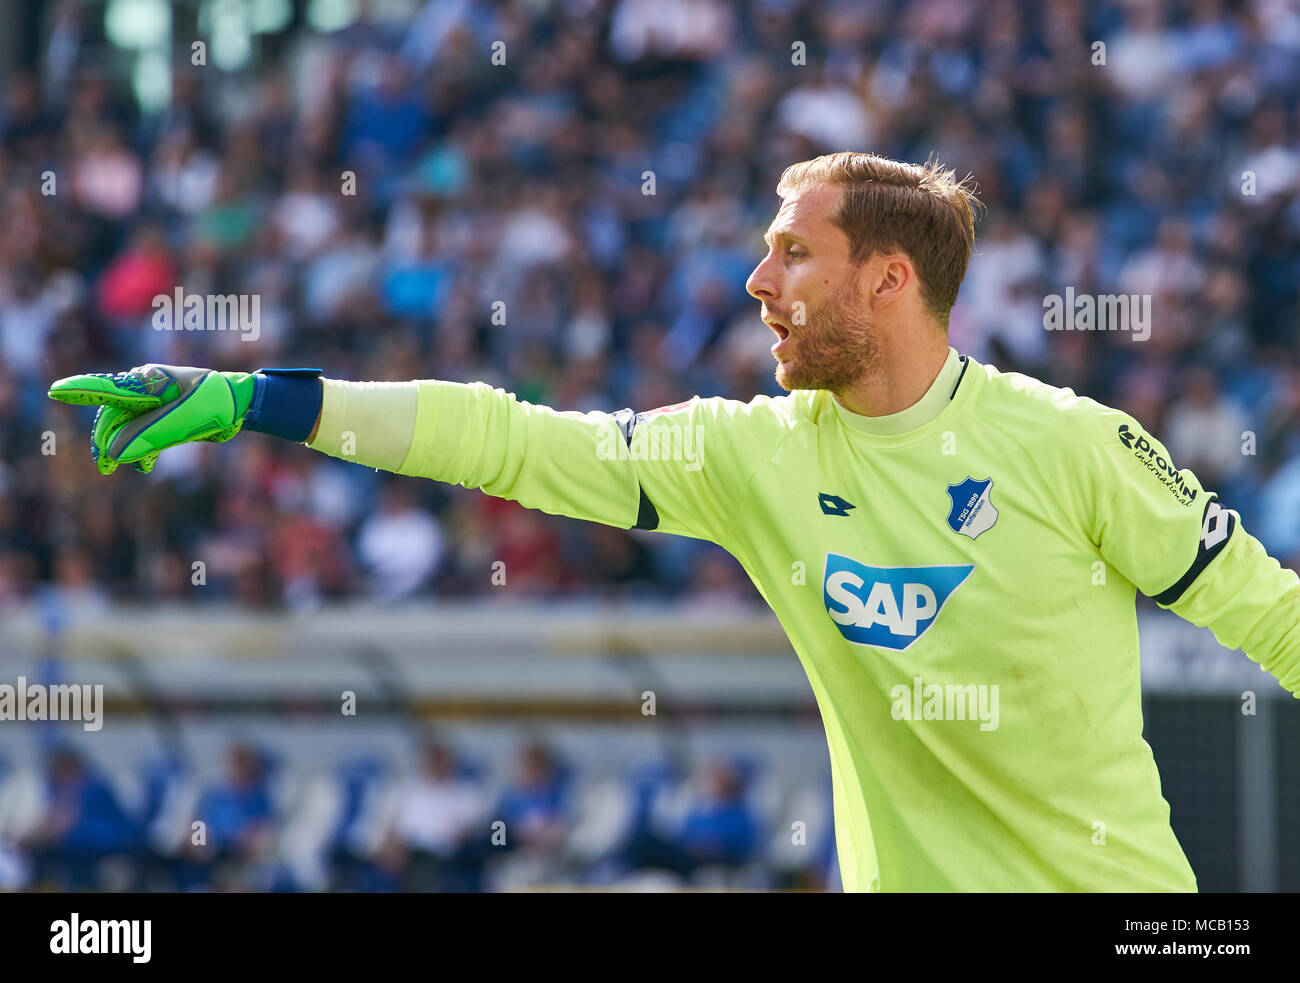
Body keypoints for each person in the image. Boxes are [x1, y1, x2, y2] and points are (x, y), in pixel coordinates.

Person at [48, 152, 1300, 892]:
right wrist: (253, 395)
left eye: (790, 253)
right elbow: (512, 438)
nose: (759, 282)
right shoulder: (749, 453)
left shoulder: (1069, 443)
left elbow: (1267, 611)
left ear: (889, 278)